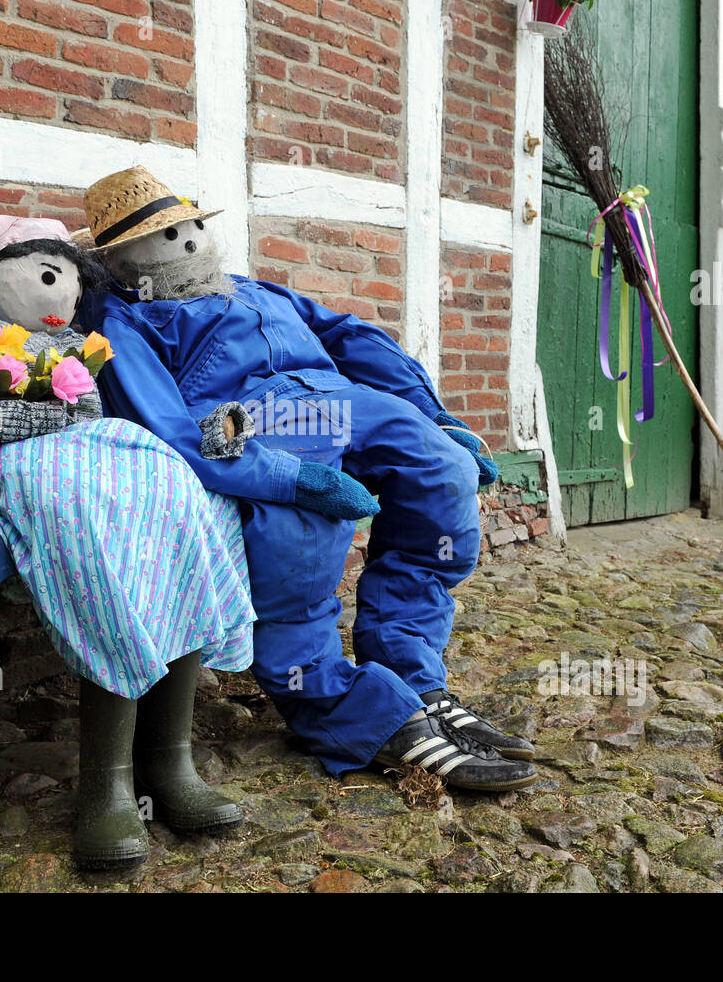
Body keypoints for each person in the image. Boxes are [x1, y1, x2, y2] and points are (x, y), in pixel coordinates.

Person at [76, 166, 538, 793]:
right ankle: (345, 711)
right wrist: (291, 479)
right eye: (162, 237)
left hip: (340, 398)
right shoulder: (122, 321)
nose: (185, 242)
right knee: (299, 527)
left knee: (442, 469)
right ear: (120, 260)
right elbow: (165, 422)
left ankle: (414, 677)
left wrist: (437, 418)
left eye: (188, 227)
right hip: (254, 419)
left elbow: (352, 337)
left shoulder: (254, 289)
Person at [0, 215, 255, 870]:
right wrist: (3, 416)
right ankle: (106, 781)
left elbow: (85, 419)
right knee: (75, 496)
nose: (60, 301)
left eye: (69, 287)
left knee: (175, 484)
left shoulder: (59, 347)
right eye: (47, 277)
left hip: (62, 467)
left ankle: (167, 757)